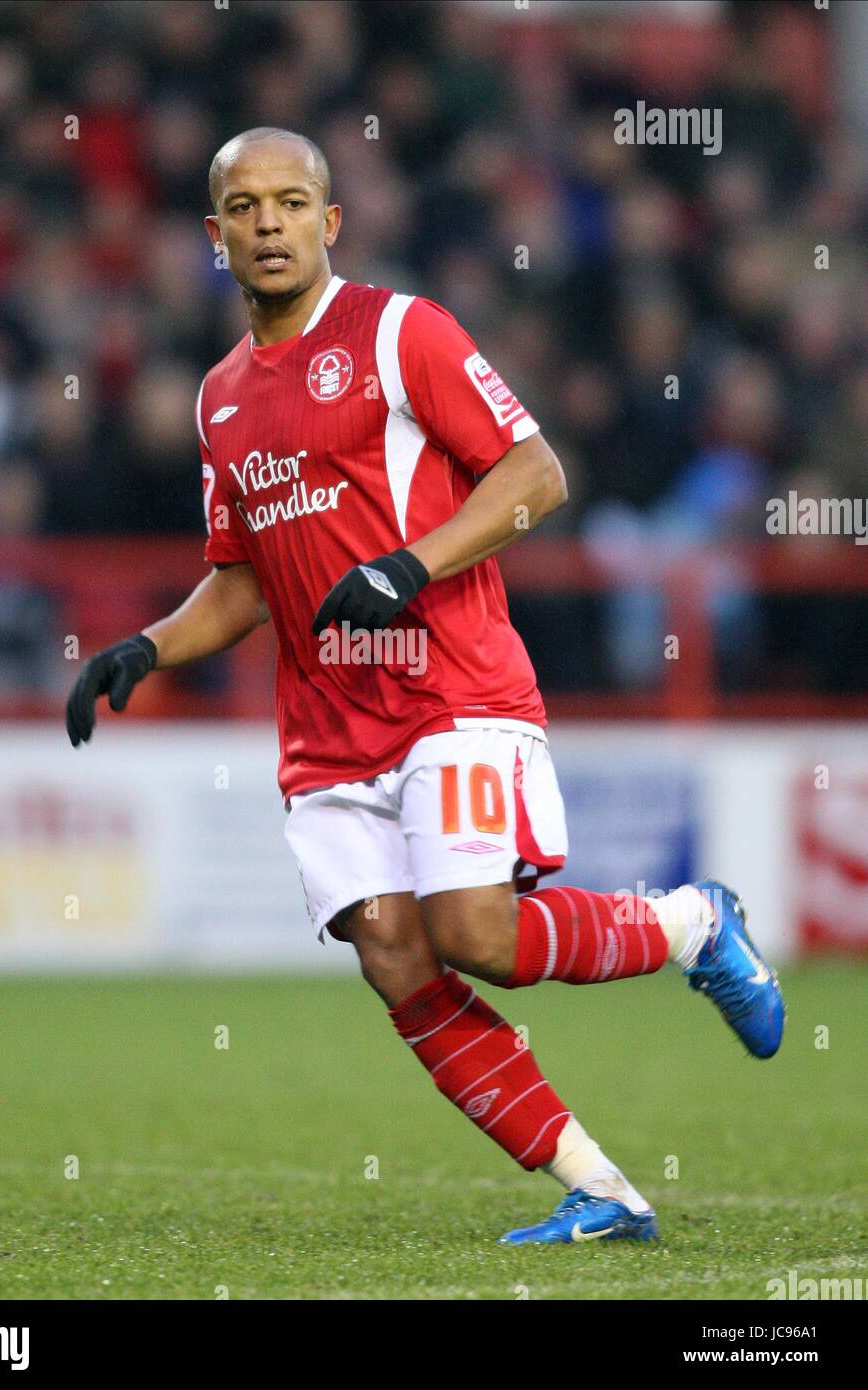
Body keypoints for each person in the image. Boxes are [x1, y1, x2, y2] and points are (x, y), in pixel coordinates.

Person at [66, 128, 784, 1245]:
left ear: (330, 222)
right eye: (244, 208)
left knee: (477, 932)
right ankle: (601, 1189)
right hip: (324, 733)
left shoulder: (403, 333)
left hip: (453, 691)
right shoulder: (218, 399)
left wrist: (410, 564)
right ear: (214, 237)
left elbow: (537, 471)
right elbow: (243, 583)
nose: (268, 224)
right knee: (398, 957)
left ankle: (694, 923)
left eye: (291, 202)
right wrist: (146, 648)